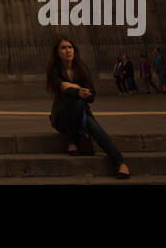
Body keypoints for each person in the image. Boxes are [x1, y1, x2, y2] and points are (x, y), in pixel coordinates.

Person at [47, 37, 129, 179]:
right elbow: (60, 88)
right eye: (63, 47)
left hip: (81, 116)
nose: (68, 50)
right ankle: (120, 161)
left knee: (83, 110)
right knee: (79, 103)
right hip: (62, 117)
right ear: (57, 53)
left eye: (70, 47)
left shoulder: (81, 69)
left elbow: (91, 96)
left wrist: (74, 87)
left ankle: (72, 142)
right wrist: (78, 91)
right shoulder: (54, 71)